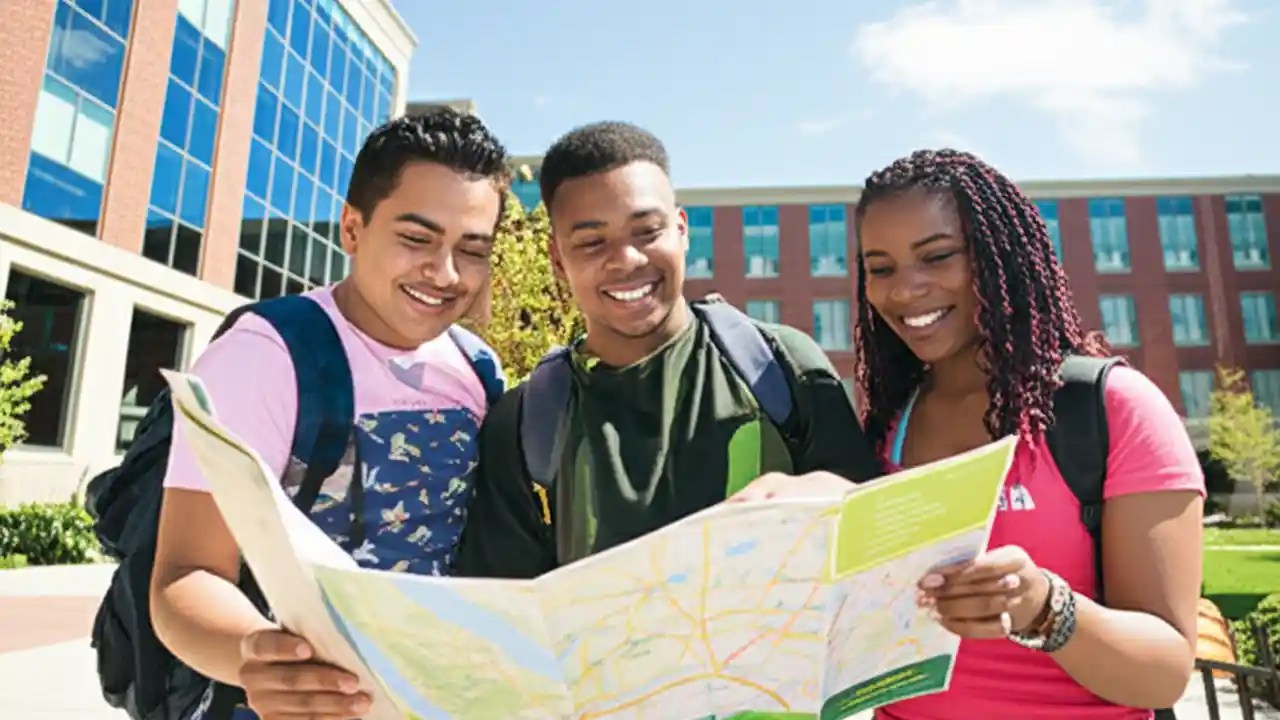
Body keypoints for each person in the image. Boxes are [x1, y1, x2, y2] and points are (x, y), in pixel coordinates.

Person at [739, 148, 1204, 719]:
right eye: (880, 268)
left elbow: (1164, 675)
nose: (905, 289)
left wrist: (1044, 607)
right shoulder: (889, 425)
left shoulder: (1110, 409)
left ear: (999, 257)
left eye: (936, 257)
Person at [149, 108, 511, 720]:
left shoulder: (477, 368)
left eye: (471, 249)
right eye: (416, 238)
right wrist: (260, 662)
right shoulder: (263, 357)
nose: (446, 273)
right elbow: (182, 577)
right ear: (352, 227)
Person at [453, 121, 883, 580]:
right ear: (558, 258)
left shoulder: (781, 367)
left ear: (681, 229)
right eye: (593, 242)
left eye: (647, 231)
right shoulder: (524, 425)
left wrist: (828, 492)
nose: (627, 260)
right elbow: (507, 612)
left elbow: (877, 532)